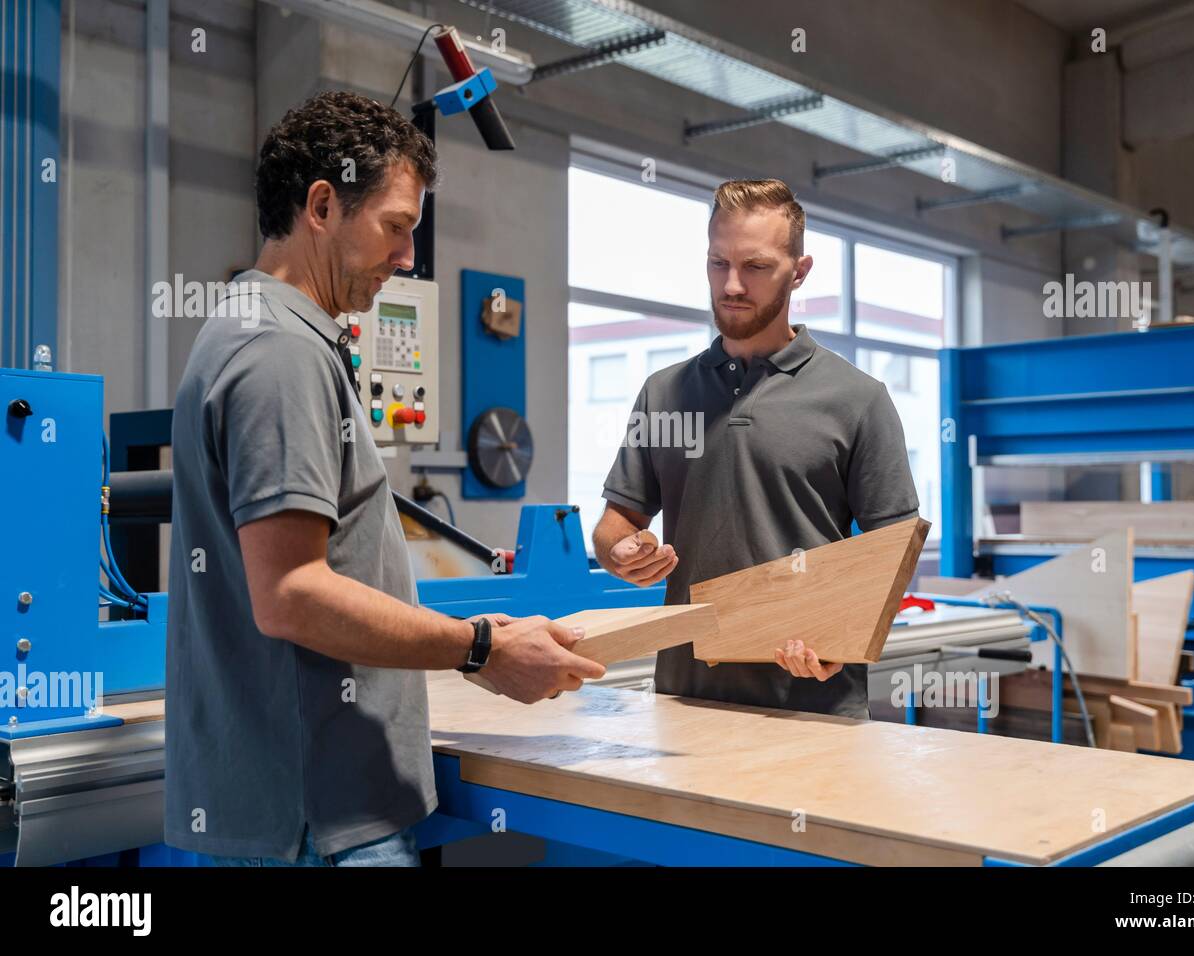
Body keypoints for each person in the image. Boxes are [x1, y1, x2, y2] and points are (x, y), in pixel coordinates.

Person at [165, 91, 603, 867]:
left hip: (303, 807)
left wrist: (486, 633)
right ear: (323, 205)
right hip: (316, 820)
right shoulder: (280, 354)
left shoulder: (263, 330)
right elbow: (292, 593)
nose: (407, 258)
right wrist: (477, 649)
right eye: (396, 229)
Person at [593, 178, 919, 718]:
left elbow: (894, 553)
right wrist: (621, 553)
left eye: (756, 267)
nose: (733, 285)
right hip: (683, 700)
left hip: (812, 706)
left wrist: (840, 639)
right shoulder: (665, 393)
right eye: (718, 264)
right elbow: (616, 522)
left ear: (800, 270)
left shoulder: (856, 399)